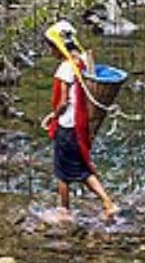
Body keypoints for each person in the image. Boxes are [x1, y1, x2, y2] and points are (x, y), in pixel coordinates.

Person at [41, 20, 118, 221]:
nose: (50, 52)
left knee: (62, 172)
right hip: (79, 124)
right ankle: (108, 203)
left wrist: (54, 117)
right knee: (82, 170)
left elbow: (64, 101)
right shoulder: (82, 59)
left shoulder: (64, 68)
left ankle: (64, 210)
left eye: (51, 47)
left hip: (67, 126)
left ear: (59, 47)